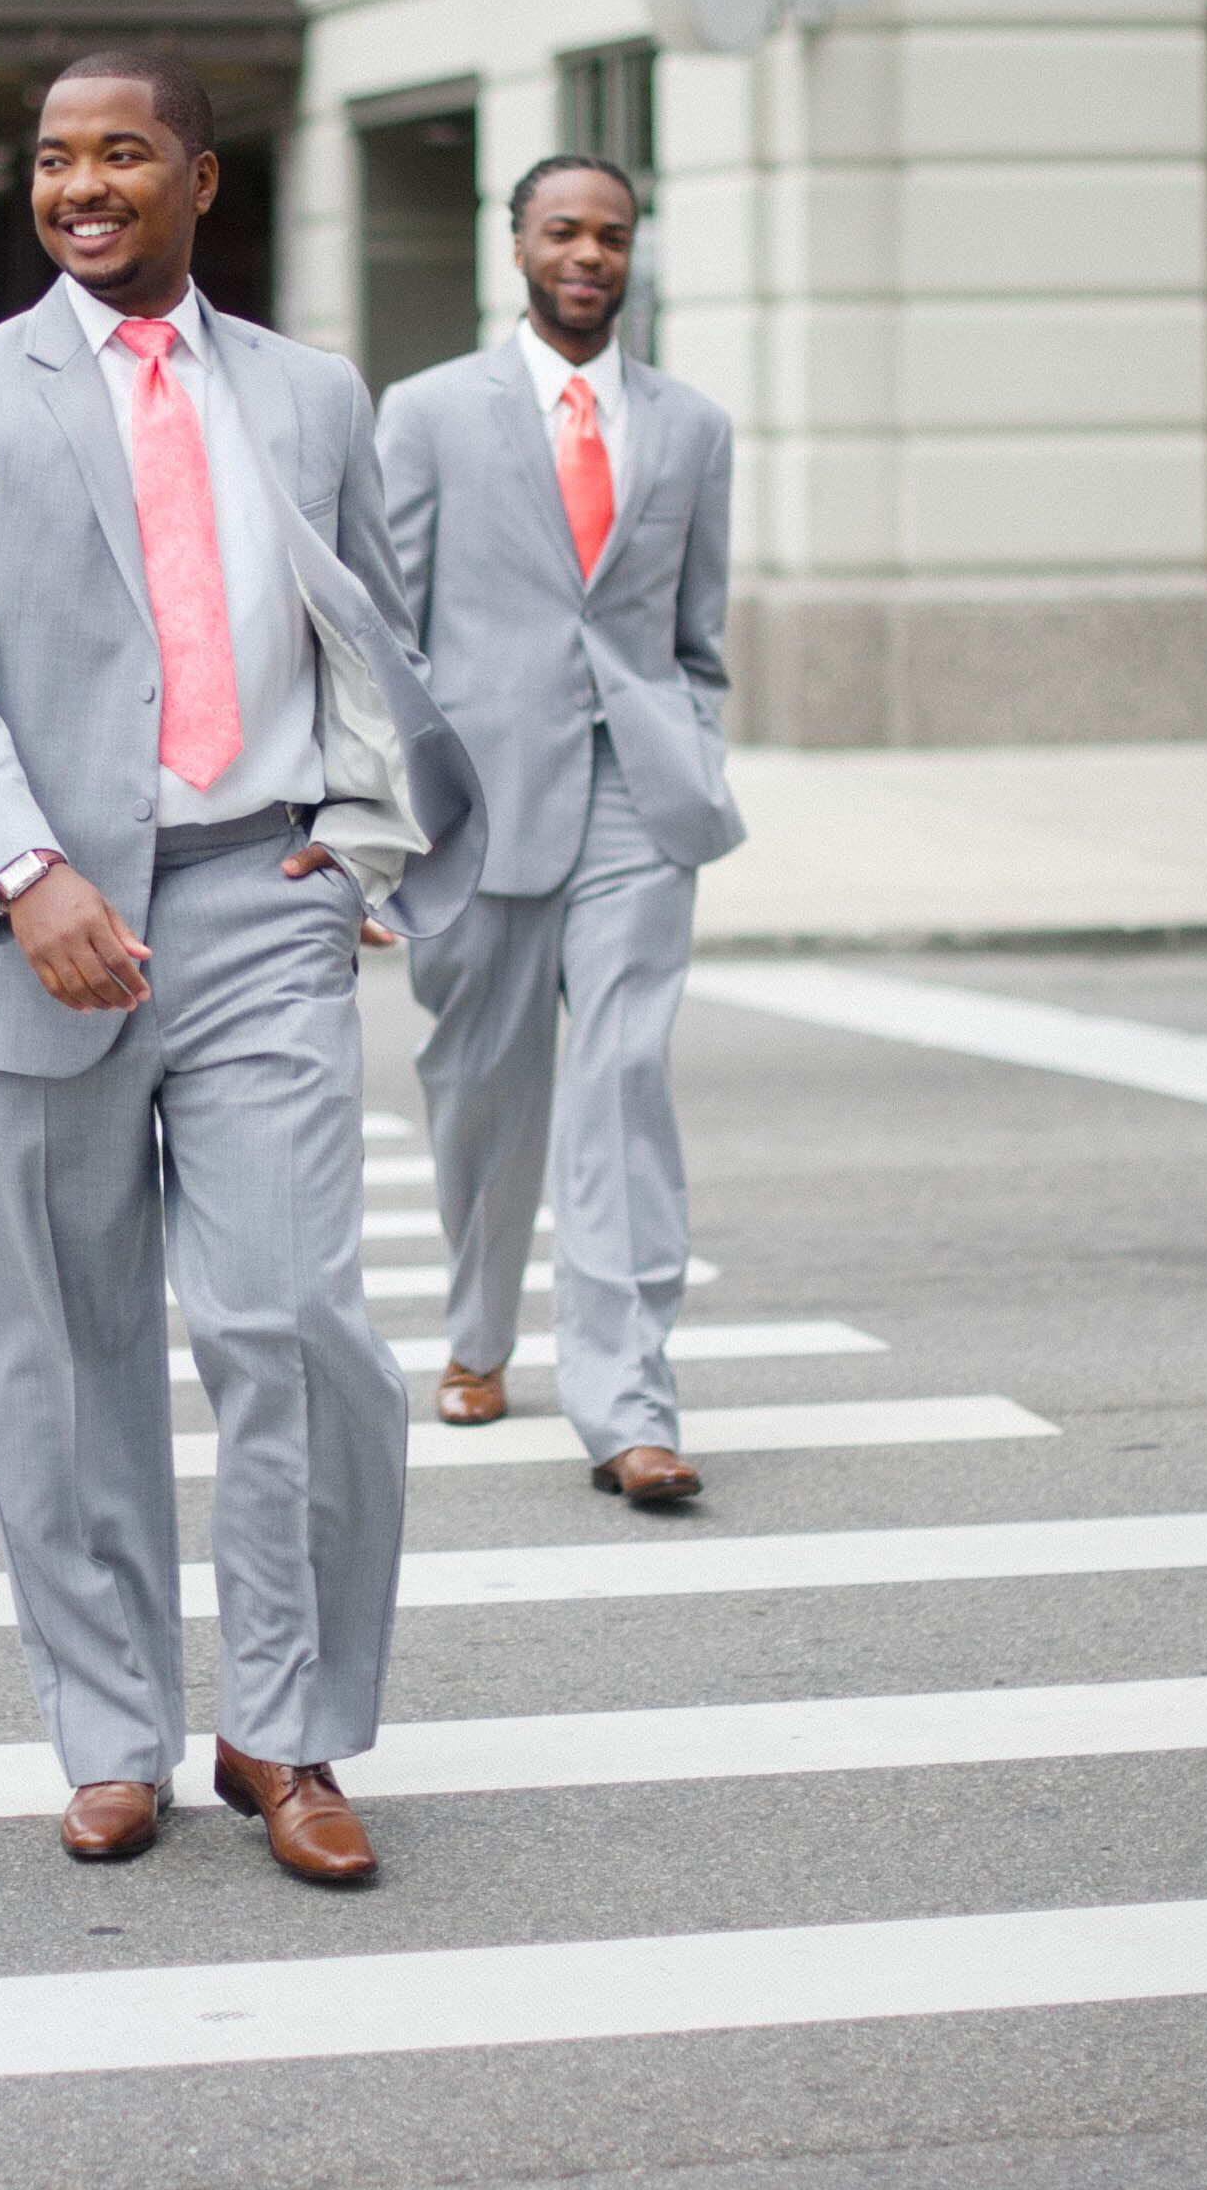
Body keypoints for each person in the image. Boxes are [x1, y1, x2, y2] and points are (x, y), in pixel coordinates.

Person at [0, 52, 484, 1884]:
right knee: (60, 1352)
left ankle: (284, 1726)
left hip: (254, 898)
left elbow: (367, 622)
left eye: (123, 152)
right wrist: (26, 868)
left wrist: (361, 843)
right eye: (56, 159)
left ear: (202, 180)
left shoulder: (307, 391)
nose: (82, 184)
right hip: (21, 931)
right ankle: (108, 1728)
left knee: (289, 1319)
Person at [379, 155, 745, 1505]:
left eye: (613, 235)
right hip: (477, 802)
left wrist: (691, 746)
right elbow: (387, 639)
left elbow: (695, 638)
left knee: (623, 1084)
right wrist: (385, 820)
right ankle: (480, 1328)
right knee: (481, 1083)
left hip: (638, 799)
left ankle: (627, 1403)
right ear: (517, 245)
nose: (589, 254)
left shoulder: (693, 427)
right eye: (564, 232)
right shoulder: (424, 415)